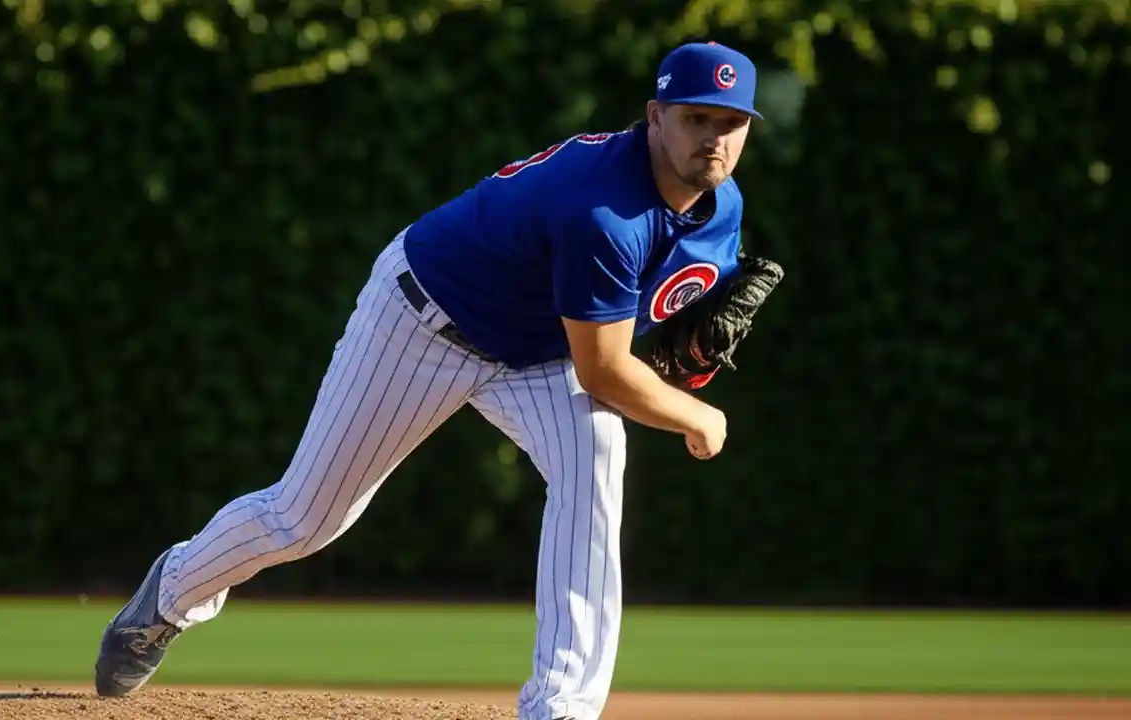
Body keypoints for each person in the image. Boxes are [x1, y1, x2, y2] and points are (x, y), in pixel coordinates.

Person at [94, 40, 764, 720]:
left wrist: (690, 354)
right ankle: (171, 593)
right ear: (655, 117)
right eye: (694, 117)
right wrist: (696, 413)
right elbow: (603, 368)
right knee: (305, 519)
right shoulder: (604, 211)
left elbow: (663, 310)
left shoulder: (723, 208)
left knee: (597, 457)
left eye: (730, 122)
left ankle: (561, 707)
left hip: (533, 350)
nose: (714, 137)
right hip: (424, 319)